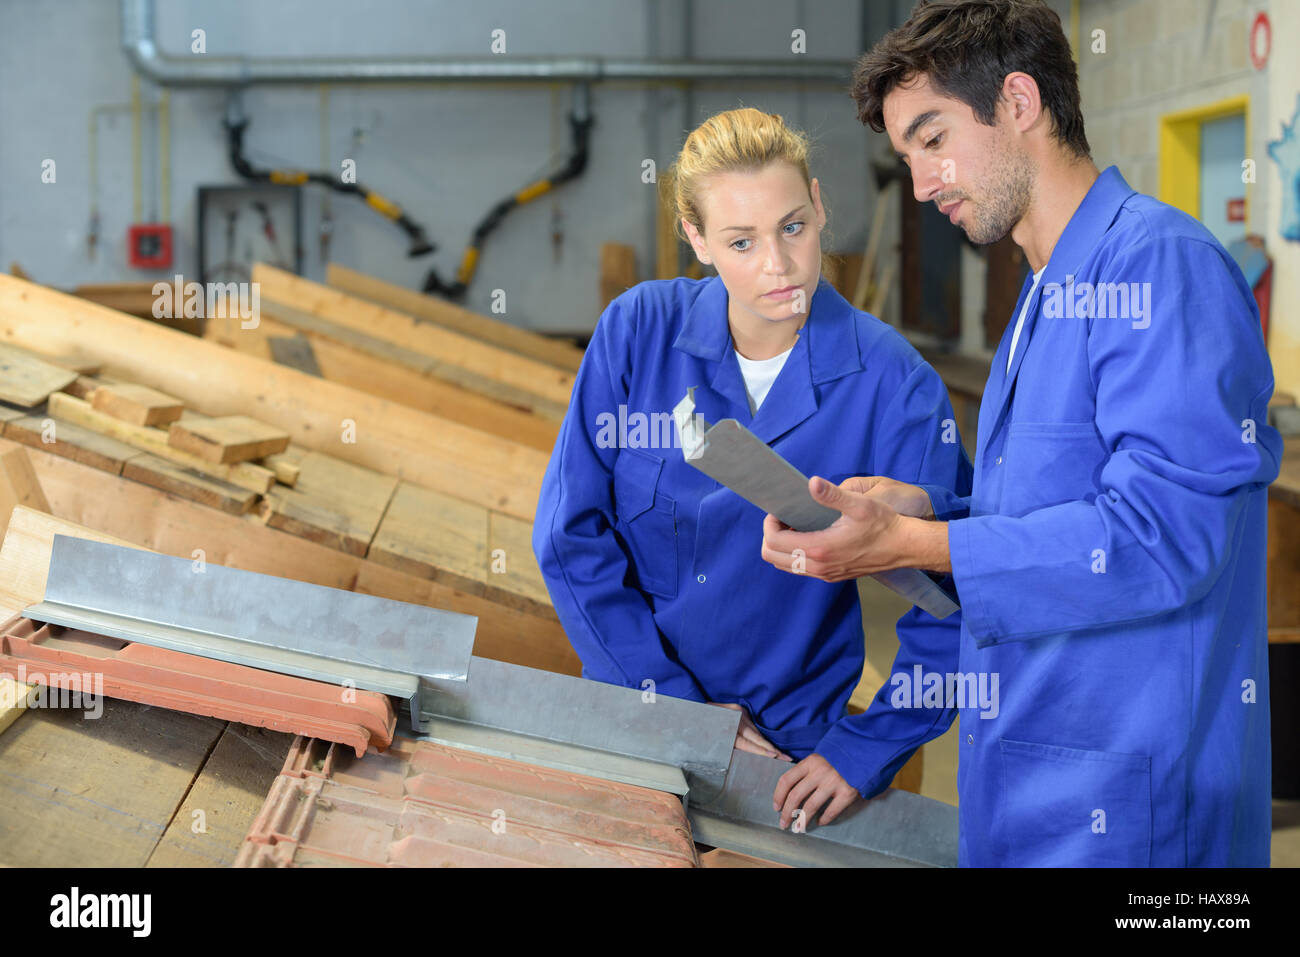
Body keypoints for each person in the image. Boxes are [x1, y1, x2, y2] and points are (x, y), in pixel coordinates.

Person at [762, 0, 1282, 866]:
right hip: (1032, 790)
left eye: (932, 139)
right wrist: (931, 516)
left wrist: (917, 540)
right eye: (907, 156)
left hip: (1141, 808)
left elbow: (1163, 537)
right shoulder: (1044, 295)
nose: (922, 183)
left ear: (1018, 102)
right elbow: (1054, 514)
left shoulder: (1159, 266)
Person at [533, 107, 972, 824]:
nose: (778, 264)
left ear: (821, 207)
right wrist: (674, 710)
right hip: (636, 717)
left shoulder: (896, 383)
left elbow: (957, 593)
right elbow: (569, 536)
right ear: (697, 240)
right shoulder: (638, 333)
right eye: (741, 241)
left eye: (793, 227)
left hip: (788, 755)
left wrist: (863, 751)